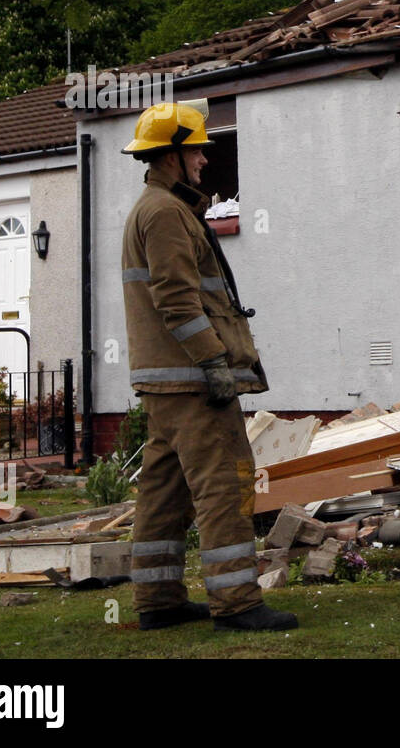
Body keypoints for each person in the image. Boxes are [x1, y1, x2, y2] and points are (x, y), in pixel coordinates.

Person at [121, 101, 297, 632]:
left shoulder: (157, 208)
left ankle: (159, 600)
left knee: (165, 490)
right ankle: (238, 602)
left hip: (166, 384)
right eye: (196, 148)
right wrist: (215, 363)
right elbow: (176, 297)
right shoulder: (166, 213)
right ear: (171, 154)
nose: (203, 158)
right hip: (193, 381)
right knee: (224, 484)